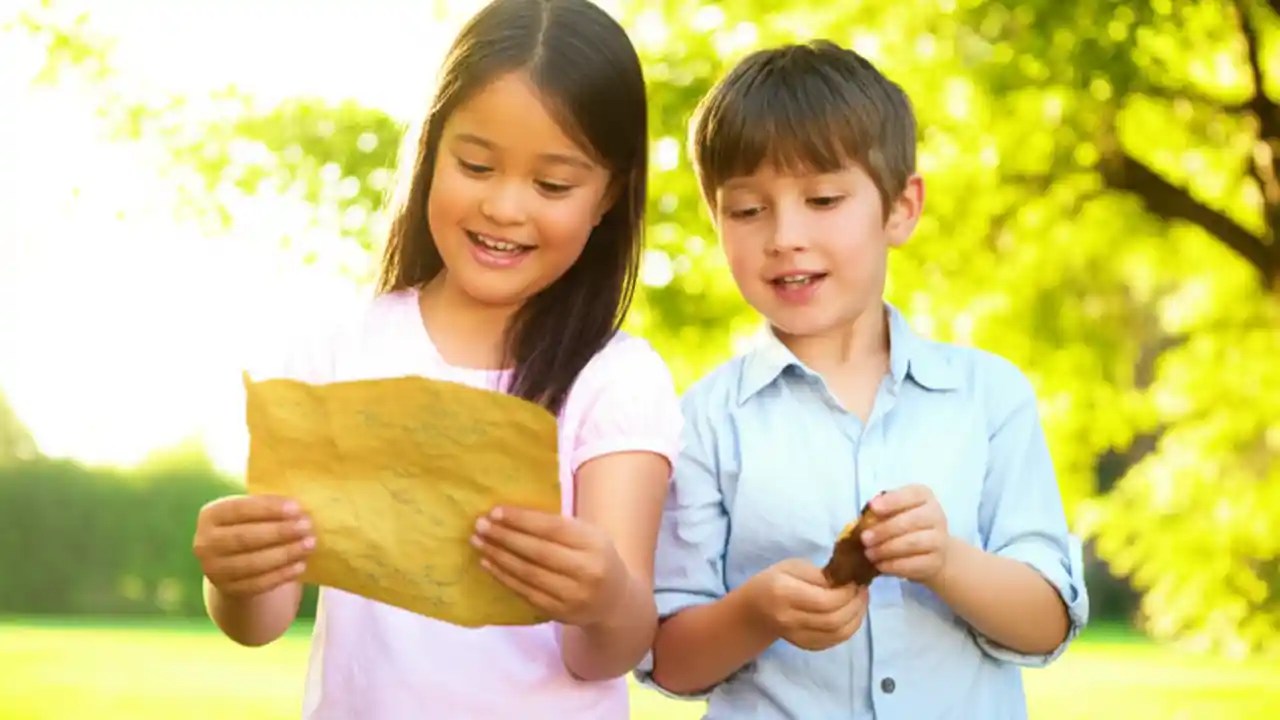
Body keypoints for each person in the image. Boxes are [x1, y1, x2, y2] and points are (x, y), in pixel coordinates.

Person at [191, 1, 683, 717]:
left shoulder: (616, 379)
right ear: (430, 152)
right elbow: (262, 620)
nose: (505, 207)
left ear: (609, 194)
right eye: (476, 165)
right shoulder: (338, 350)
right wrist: (232, 575)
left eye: (552, 185)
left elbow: (604, 654)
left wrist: (605, 595)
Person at [637, 40, 1089, 719]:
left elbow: (1048, 623)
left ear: (900, 208)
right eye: (747, 210)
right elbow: (670, 659)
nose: (784, 236)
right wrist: (756, 612)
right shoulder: (702, 421)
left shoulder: (988, 398)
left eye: (822, 198)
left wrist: (946, 562)